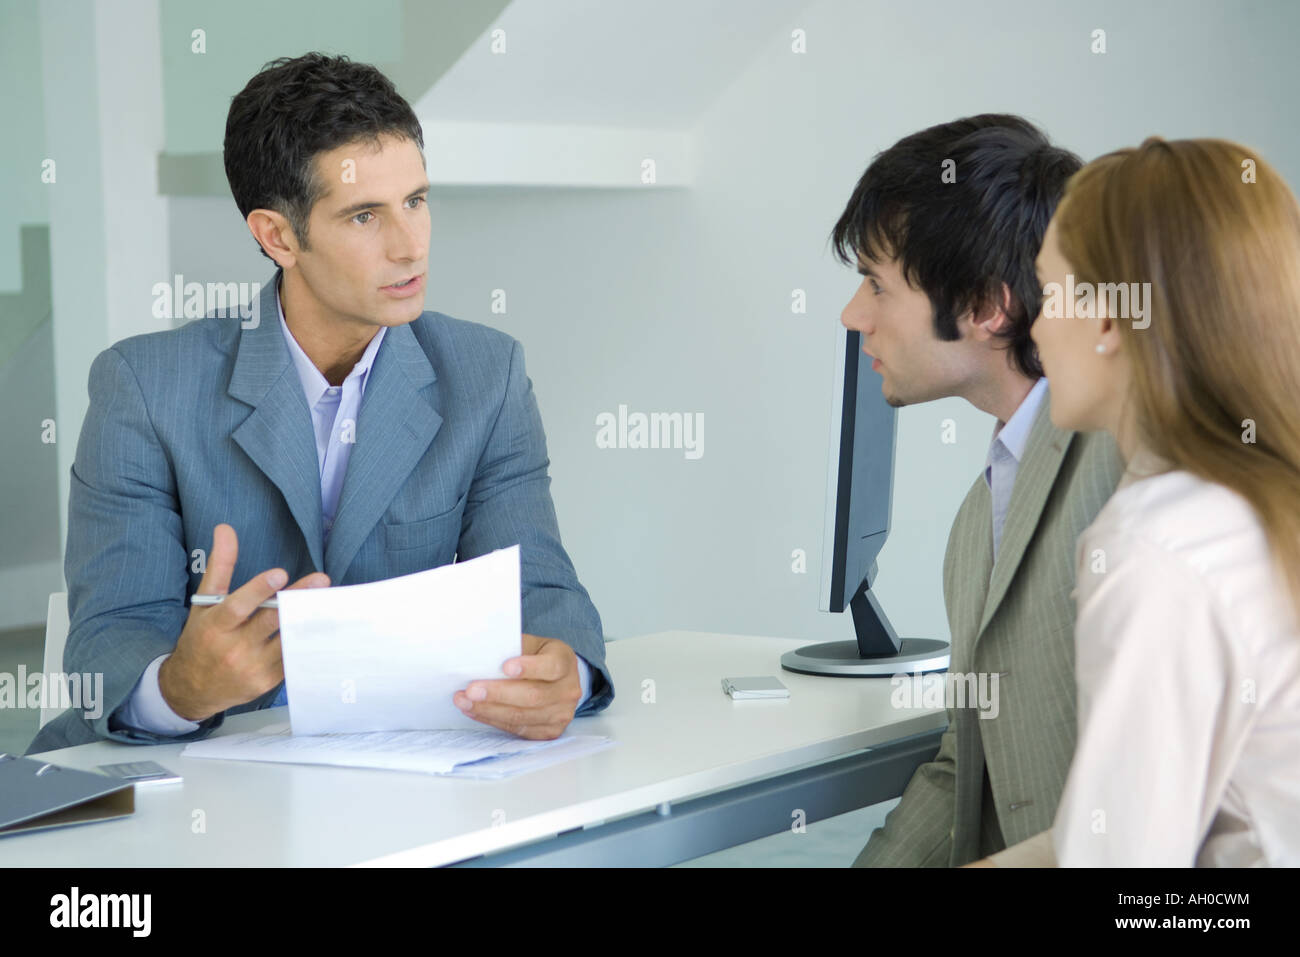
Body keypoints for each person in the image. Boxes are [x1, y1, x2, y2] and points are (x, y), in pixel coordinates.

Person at [27, 53, 612, 754]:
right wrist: (181, 687)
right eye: (365, 216)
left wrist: (566, 673)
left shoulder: (488, 375)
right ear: (276, 236)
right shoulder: (145, 387)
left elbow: (542, 589)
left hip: (409, 770)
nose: (410, 247)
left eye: (417, 201)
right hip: (201, 772)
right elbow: (110, 635)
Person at [977, 137, 1300, 866]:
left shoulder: (1156, 549)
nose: (1033, 326)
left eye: (1048, 292)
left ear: (1108, 319)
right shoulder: (1248, 505)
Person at [835, 115, 1125, 867]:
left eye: (877, 284)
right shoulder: (978, 518)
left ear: (987, 308)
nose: (853, 315)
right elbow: (967, 762)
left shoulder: (1127, 470)